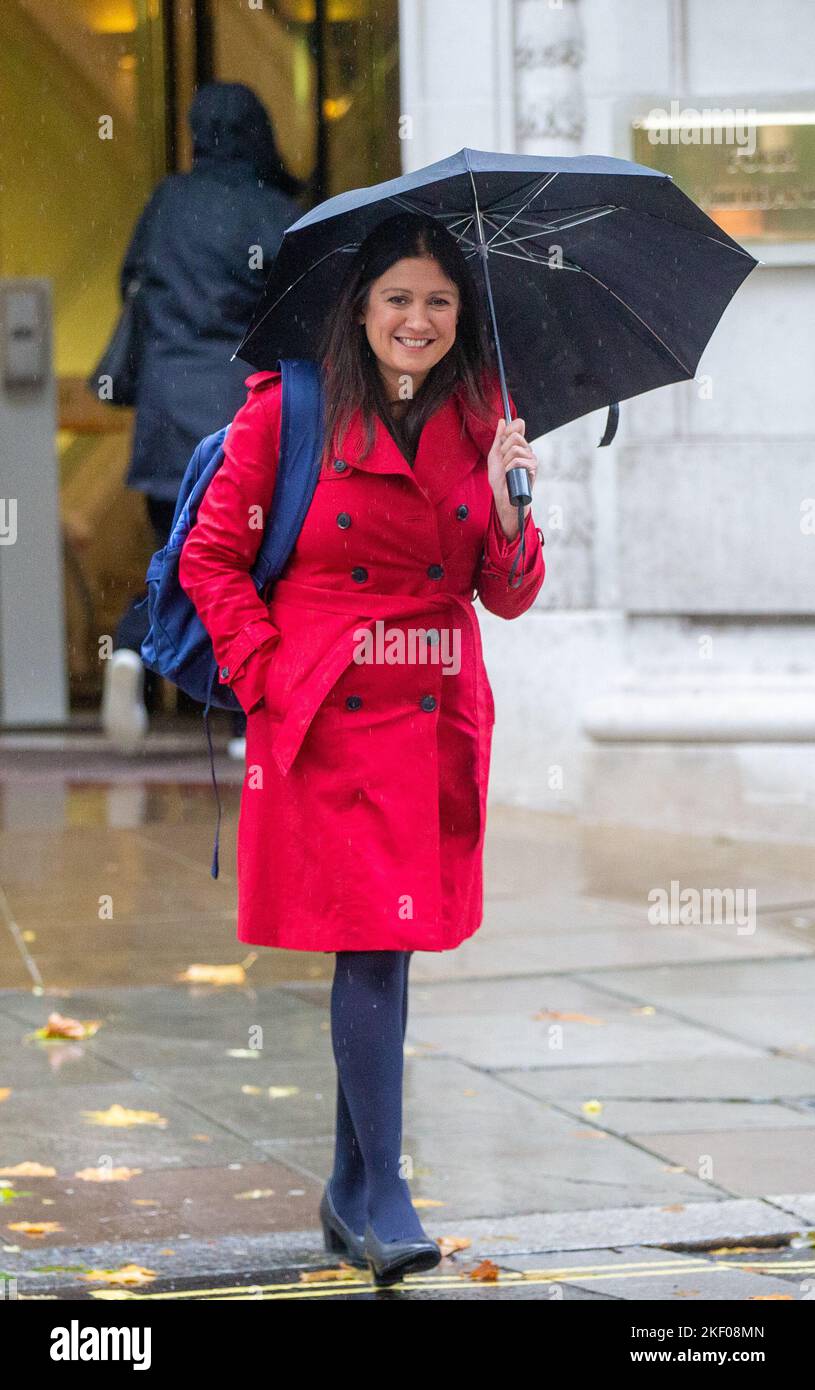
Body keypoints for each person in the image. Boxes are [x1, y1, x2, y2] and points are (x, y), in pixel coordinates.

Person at [178, 212, 546, 1285]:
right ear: (360, 307)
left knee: (384, 943)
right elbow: (210, 558)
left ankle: (351, 1187)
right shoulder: (288, 408)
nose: (418, 320)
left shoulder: (486, 413)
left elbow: (505, 595)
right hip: (327, 715)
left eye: (437, 301)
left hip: (432, 705)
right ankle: (379, 1190)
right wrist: (265, 676)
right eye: (398, 299)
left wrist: (516, 512)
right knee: (369, 942)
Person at [101, 82, 302, 752]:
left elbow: (134, 286)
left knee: (176, 554)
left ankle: (132, 649)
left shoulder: (167, 204)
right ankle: (249, 718)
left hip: (165, 412)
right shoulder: (275, 212)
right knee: (255, 566)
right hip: (239, 417)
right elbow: (296, 316)